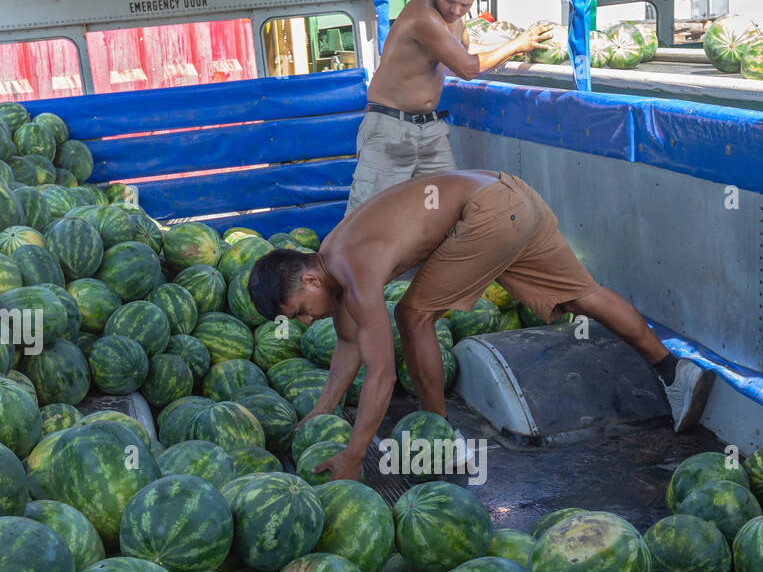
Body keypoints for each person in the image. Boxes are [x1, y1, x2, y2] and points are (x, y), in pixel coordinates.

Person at [248, 170, 714, 481]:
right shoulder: (333, 256)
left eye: (301, 309)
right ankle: (674, 371)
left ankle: (441, 437)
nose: (308, 321)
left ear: (310, 278)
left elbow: (383, 372)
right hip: (510, 195)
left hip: (489, 213)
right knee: (582, 295)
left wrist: (354, 455)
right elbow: (350, 343)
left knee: (413, 315)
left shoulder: (352, 267)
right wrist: (323, 409)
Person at [347, 0, 553, 211]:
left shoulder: (456, 20)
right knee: (369, 214)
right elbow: (467, 67)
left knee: (442, 207)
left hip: (428, 129)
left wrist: (519, 50)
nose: (455, 11)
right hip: (390, 129)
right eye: (450, 1)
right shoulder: (423, 17)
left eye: (464, 5)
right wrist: (516, 43)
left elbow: (466, 52)